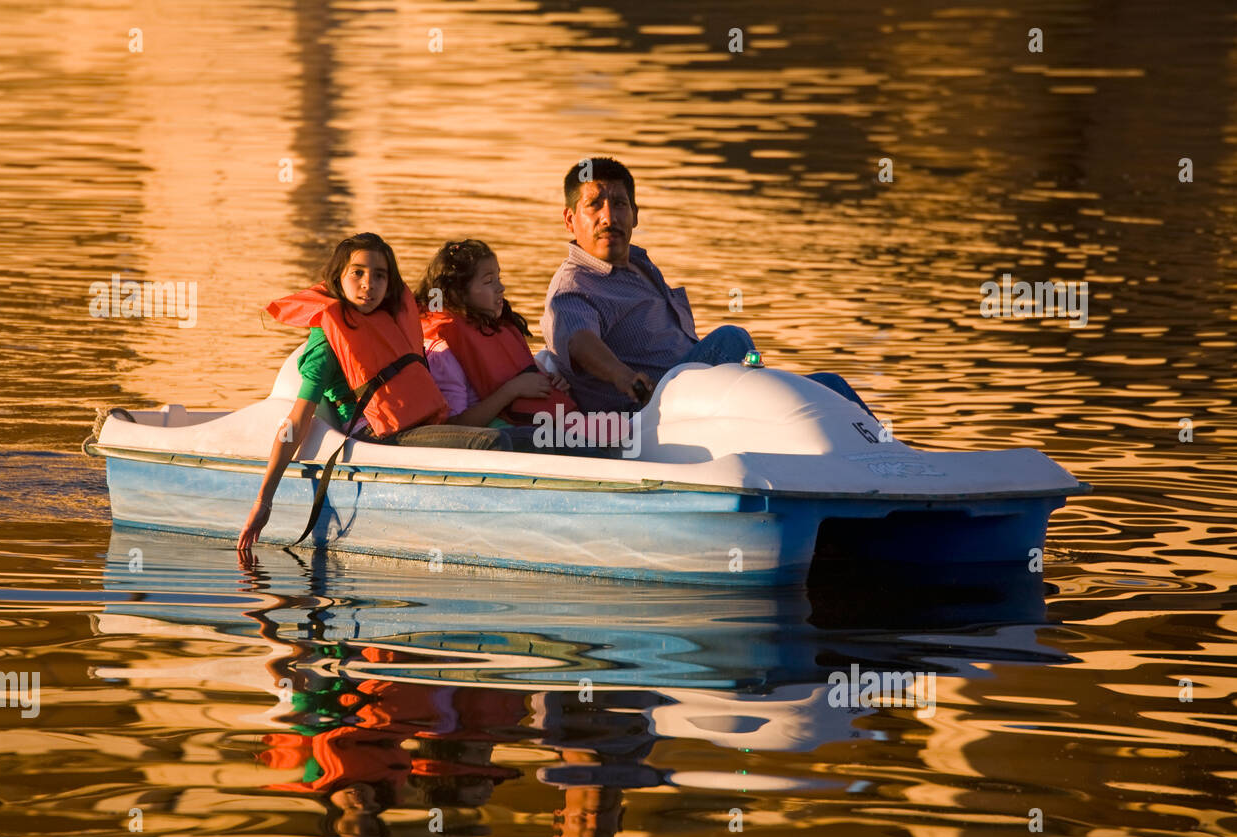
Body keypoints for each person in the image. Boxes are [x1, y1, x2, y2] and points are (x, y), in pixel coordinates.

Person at [237, 233, 510, 553]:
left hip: (416, 424)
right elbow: (296, 422)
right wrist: (263, 500)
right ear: (338, 277)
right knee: (491, 442)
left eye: (380, 275)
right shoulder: (328, 339)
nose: (369, 283)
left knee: (524, 436)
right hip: (374, 434)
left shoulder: (391, 317)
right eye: (358, 273)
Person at [541, 156, 873, 415]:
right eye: (594, 204)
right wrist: (624, 377)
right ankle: (774, 428)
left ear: (635, 215)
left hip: (697, 399)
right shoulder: (574, 285)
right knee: (731, 338)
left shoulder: (640, 265)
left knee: (830, 386)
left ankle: (897, 465)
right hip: (645, 413)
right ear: (570, 219)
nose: (609, 217)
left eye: (620, 204)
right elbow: (578, 340)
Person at [417, 238, 576, 429]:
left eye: (499, 278)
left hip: (531, 423)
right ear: (457, 294)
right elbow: (453, 426)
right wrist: (513, 390)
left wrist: (549, 381)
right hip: (492, 437)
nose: (501, 288)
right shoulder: (443, 354)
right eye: (489, 281)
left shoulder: (492, 329)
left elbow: (522, 372)